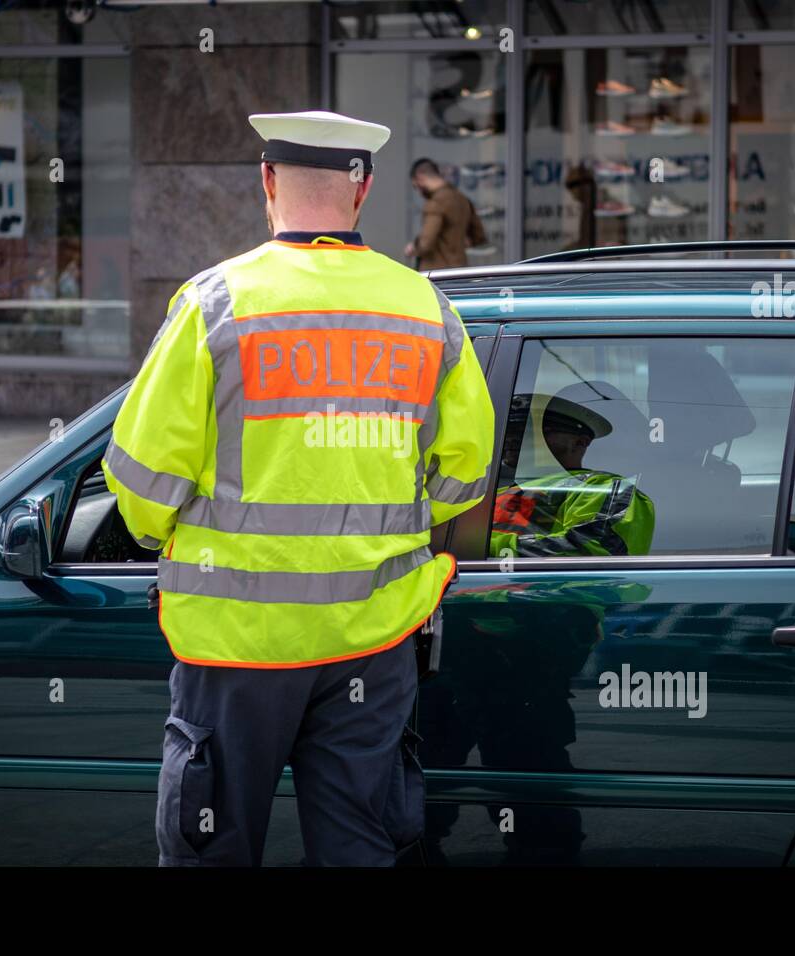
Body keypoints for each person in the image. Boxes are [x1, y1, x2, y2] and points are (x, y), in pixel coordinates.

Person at [103, 110, 495, 867]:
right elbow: (462, 478)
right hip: (371, 643)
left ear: (267, 182)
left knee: (212, 849)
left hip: (235, 646)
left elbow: (143, 486)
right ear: (365, 189)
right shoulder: (424, 308)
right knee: (359, 846)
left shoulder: (215, 304)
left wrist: (173, 533)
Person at [490, 387, 655, 558]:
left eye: (532, 432)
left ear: (580, 442)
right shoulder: (487, 491)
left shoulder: (604, 488)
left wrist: (483, 547)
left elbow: (586, 553)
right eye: (509, 432)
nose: (513, 438)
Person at [404, 158, 487, 270]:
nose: (419, 192)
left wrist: (413, 248)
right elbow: (479, 236)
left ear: (421, 177)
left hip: (437, 273)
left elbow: (426, 243)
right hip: (460, 271)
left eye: (416, 186)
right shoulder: (462, 199)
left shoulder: (435, 202)